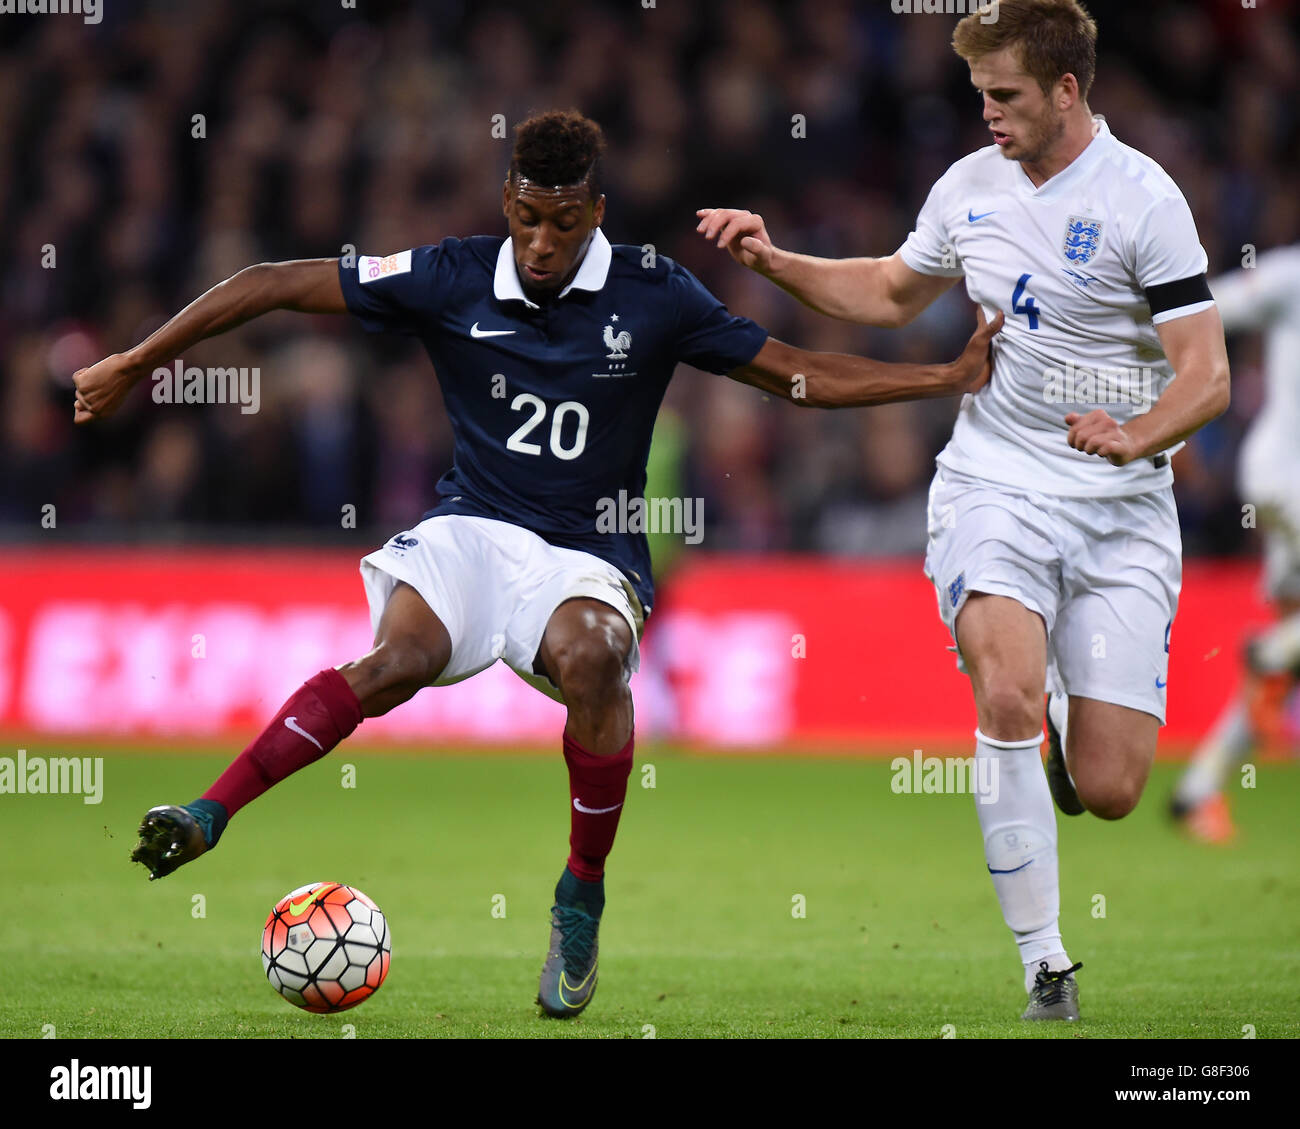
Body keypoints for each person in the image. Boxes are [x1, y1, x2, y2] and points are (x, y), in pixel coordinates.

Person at [73, 110, 999, 1018]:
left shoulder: (657, 293)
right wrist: (138, 359)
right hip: (470, 529)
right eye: (526, 217)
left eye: (562, 222)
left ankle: (581, 894)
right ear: (507, 200)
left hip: (587, 551)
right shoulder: (450, 275)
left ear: (595, 211)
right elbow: (273, 282)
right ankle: (210, 810)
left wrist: (937, 378)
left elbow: (796, 371)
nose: (541, 242)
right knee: (393, 664)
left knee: (596, 657)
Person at [697, 0, 1230, 1020]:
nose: (984, 112)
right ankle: (1045, 963)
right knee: (1003, 697)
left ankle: (1070, 727)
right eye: (978, 93)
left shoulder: (1142, 200)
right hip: (995, 481)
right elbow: (891, 293)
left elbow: (1203, 378)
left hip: (1120, 505)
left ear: (1067, 91)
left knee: (1113, 787)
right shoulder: (967, 187)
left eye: (1005, 95)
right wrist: (777, 262)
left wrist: (1136, 434)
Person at [1171, 246, 1300, 843]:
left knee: (1290, 656)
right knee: (1283, 649)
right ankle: (1274, 649)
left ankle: (1200, 788)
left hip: (1271, 474)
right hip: (1292, 479)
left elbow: (1197, 307)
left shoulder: (1287, 272)